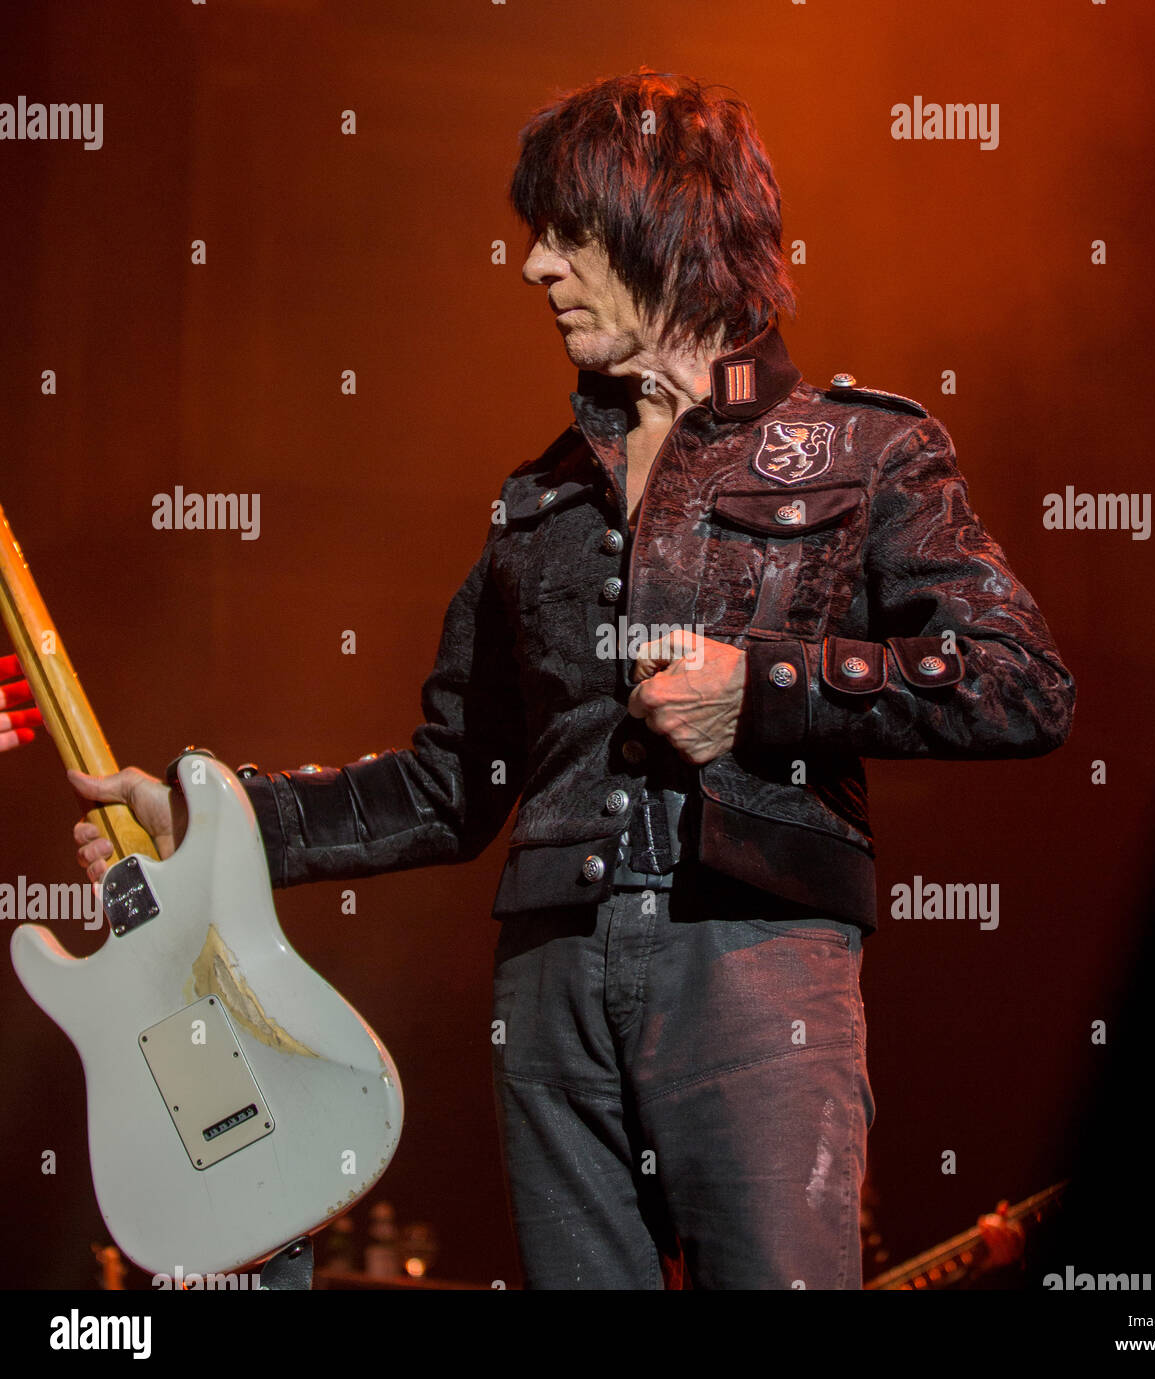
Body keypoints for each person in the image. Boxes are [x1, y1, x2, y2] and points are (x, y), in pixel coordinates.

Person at [20, 71, 1075, 1289]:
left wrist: (768, 687)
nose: (532, 267)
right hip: (548, 979)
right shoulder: (539, 497)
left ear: (663, 224)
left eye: (563, 235)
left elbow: (1019, 681)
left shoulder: (862, 447)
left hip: (752, 958)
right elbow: (445, 783)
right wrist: (214, 818)